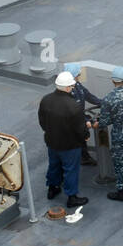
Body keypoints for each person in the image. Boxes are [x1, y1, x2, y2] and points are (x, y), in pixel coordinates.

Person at [38, 70, 90, 208]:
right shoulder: (73, 106)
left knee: (54, 165)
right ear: (67, 88)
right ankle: (72, 197)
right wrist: (86, 136)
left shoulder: (46, 100)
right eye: (72, 86)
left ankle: (52, 189)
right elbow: (80, 128)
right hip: (70, 145)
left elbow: (42, 122)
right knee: (70, 170)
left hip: (51, 142)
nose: (73, 88)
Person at [96, 67, 123, 201]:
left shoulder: (108, 99)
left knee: (120, 162)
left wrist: (96, 122)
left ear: (113, 81)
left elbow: (104, 121)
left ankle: (122, 191)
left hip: (119, 133)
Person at [63, 62, 101, 165]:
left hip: (79, 118)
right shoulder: (67, 91)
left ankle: (84, 157)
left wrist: (102, 103)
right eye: (78, 75)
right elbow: (71, 113)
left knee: (81, 140)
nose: (79, 76)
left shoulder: (77, 85)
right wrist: (85, 120)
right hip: (72, 122)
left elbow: (88, 95)